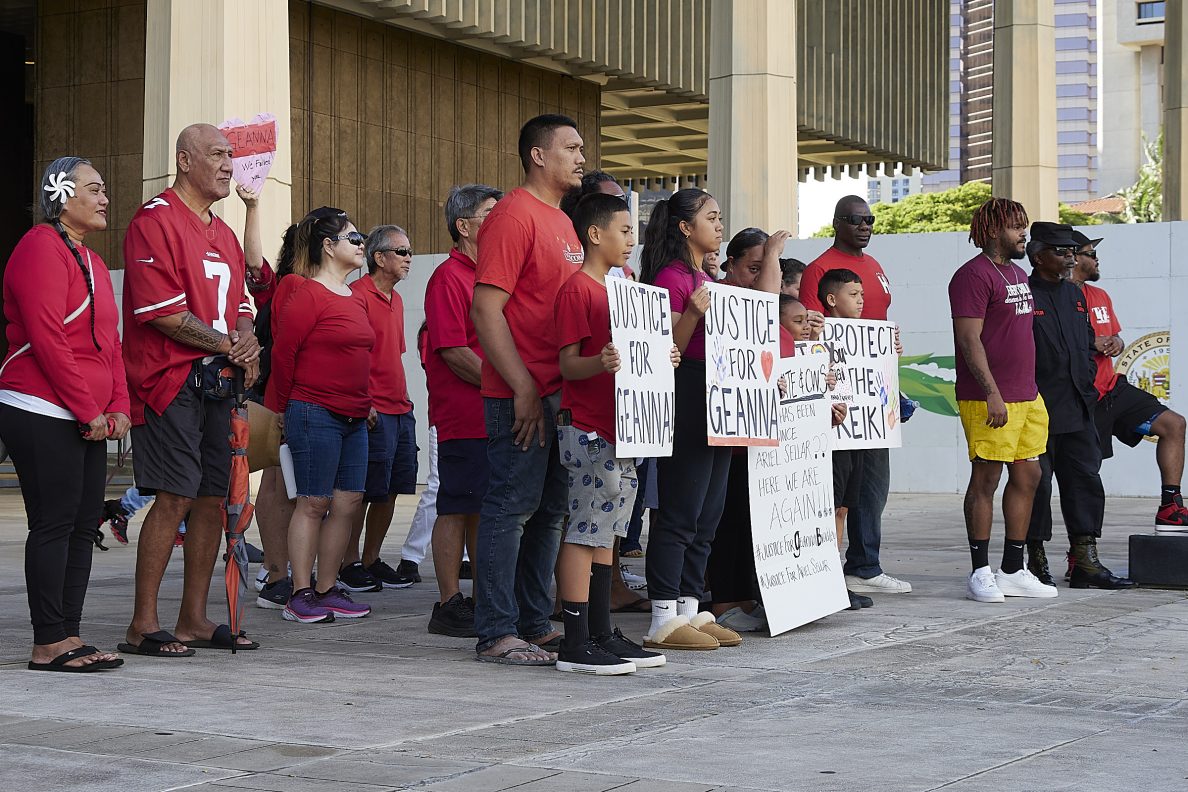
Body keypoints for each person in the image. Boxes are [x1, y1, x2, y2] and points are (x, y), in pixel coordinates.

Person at [120, 124, 261, 656]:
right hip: (169, 380)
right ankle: (142, 624)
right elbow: (162, 314)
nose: (228, 165)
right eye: (217, 155)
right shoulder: (153, 220)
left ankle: (193, 620)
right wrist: (231, 346)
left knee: (211, 498)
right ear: (184, 160)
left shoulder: (223, 232)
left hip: (217, 383)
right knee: (175, 494)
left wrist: (246, 342)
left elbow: (242, 304)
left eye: (231, 155)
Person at [0, 158, 129, 672]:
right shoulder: (39, 247)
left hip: (86, 414)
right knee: (54, 523)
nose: (104, 199)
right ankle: (47, 642)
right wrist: (88, 409)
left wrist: (118, 406)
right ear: (62, 195)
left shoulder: (92, 260)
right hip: (39, 406)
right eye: (94, 189)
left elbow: (109, 344)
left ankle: (69, 635)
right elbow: (48, 338)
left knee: (82, 525)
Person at [470, 114, 585, 665]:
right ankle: (496, 631)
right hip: (522, 395)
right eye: (571, 147)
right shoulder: (513, 215)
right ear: (538, 156)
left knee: (550, 512)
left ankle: (535, 623)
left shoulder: (562, 221)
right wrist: (521, 386)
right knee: (510, 509)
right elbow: (485, 309)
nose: (581, 157)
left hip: (563, 395)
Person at [553, 192, 672, 674]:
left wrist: (662, 356)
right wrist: (598, 362)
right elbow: (567, 365)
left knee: (608, 533)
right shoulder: (577, 290)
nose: (631, 240)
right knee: (585, 531)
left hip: (623, 429)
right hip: (588, 427)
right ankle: (575, 639)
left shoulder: (624, 291)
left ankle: (600, 631)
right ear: (594, 234)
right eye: (623, 231)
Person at [639, 189, 737, 651]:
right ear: (685, 227)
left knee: (708, 514)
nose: (719, 225)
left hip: (718, 393)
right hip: (688, 392)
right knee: (680, 511)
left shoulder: (704, 276)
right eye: (711, 218)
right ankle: (662, 616)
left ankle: (690, 607)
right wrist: (695, 312)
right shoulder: (670, 278)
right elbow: (666, 350)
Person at [266, 209, 375, 623]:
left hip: (354, 416)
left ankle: (328, 589)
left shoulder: (354, 296)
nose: (362, 244)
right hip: (314, 411)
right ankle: (300, 594)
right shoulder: (308, 293)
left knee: (349, 503)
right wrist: (282, 411)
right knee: (313, 502)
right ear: (328, 246)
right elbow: (283, 355)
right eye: (354, 238)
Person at [799, 196, 910, 596]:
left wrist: (888, 346)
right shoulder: (819, 269)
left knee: (875, 482)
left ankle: (865, 564)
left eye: (870, 219)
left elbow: (875, 324)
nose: (865, 226)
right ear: (836, 222)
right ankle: (835, 566)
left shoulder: (875, 266)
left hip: (874, 392)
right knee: (841, 489)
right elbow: (811, 331)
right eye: (855, 219)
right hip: (841, 392)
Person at [948, 198, 1053, 603]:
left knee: (1029, 477)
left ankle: (1012, 569)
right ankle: (980, 571)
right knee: (986, 480)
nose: (1023, 233)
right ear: (993, 231)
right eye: (1015, 226)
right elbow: (968, 339)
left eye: (1023, 225)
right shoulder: (972, 276)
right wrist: (992, 392)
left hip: (1027, 395)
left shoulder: (1018, 273)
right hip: (989, 397)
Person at [1024, 223, 1133, 591]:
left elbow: (1087, 343)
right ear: (1038, 257)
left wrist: (1087, 383)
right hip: (1037, 409)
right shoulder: (1023, 295)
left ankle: (1085, 561)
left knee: (1085, 481)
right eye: (1061, 250)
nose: (1070, 256)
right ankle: (1035, 559)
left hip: (1079, 407)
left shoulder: (1075, 296)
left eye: (1072, 250)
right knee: (1037, 487)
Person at [421, 184, 501, 636]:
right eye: (491, 214)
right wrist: (505, 383)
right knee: (456, 505)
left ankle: (478, 597)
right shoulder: (448, 278)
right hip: (463, 413)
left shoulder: (490, 275)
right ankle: (448, 601)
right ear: (464, 226)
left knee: (480, 506)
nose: (500, 221)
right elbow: (454, 351)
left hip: (491, 410)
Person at [1069, 231, 1188, 533]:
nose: (1097, 259)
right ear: (1072, 258)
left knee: (1174, 424)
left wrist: (1117, 343)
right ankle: (1081, 549)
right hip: (1081, 399)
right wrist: (1090, 343)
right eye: (1091, 254)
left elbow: (1115, 336)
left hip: (1113, 389)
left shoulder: (1100, 295)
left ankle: (1170, 507)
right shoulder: (1055, 297)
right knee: (1086, 475)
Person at [705, 226, 788, 633]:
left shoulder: (765, 312)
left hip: (757, 435)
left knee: (746, 520)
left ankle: (743, 597)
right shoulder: (721, 299)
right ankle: (724, 599)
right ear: (730, 264)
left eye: (768, 268)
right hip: (725, 434)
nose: (760, 278)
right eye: (754, 267)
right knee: (726, 522)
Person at [336, 225, 419, 592]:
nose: (409, 258)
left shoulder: (396, 300)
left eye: (409, 251)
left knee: (391, 490)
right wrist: (363, 400)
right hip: (372, 410)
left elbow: (393, 356)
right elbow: (349, 356)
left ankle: (371, 559)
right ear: (379, 257)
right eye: (402, 251)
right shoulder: (357, 296)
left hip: (400, 409)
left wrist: (406, 401)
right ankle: (348, 562)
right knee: (361, 491)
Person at [817, 269, 878, 611]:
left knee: (842, 508)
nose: (860, 301)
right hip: (830, 437)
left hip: (856, 435)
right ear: (831, 299)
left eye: (862, 294)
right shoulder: (816, 331)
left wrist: (889, 352)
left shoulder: (867, 336)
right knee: (829, 506)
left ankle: (834, 578)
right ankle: (824, 578)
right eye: (853, 295)